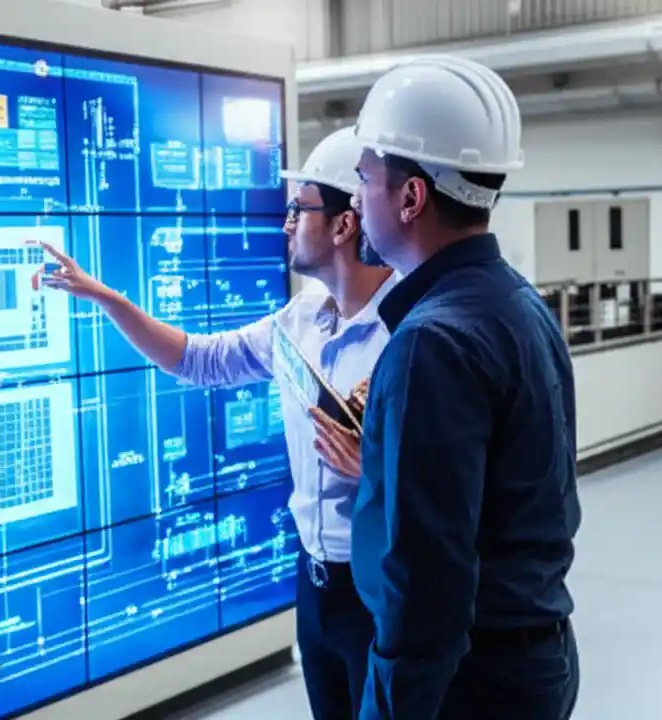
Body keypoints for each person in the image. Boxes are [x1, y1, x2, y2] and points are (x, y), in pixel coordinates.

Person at [41, 127, 397, 720]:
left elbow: (458, 485)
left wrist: (376, 474)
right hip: (315, 584)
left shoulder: (410, 331)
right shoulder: (301, 319)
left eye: (298, 209)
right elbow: (200, 359)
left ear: (344, 224)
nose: (285, 224)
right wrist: (106, 297)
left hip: (378, 592)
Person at [341, 54, 582, 720]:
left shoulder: (431, 344)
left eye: (364, 179)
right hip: (535, 659)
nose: (356, 199)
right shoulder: (517, 303)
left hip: (466, 683)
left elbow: (426, 581)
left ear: (411, 197)